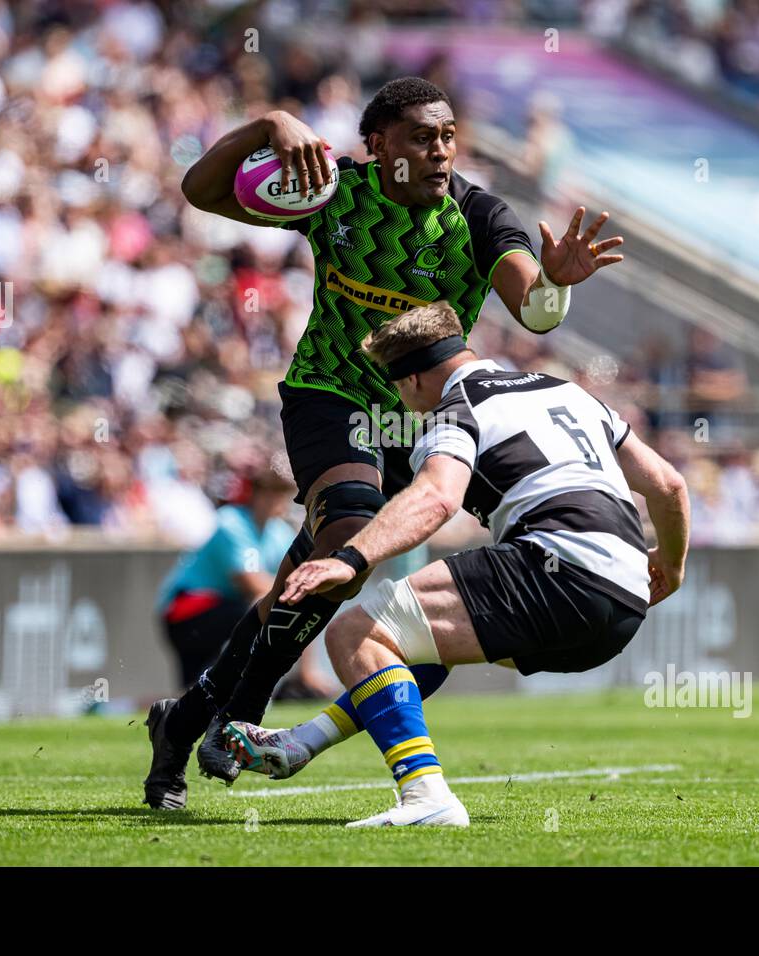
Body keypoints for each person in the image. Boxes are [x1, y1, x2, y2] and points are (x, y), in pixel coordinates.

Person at [142, 76, 627, 809]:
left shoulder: (478, 214)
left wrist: (554, 287)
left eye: (448, 136)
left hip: (412, 413)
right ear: (379, 145)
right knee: (346, 536)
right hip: (329, 391)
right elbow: (201, 189)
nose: (440, 151)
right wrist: (269, 124)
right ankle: (241, 715)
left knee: (315, 575)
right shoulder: (332, 189)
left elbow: (531, 304)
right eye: (421, 138)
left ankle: (186, 720)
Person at [222, 301, 690, 827]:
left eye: (398, 388)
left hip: (559, 567)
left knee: (355, 632)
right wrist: (669, 567)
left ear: (416, 377)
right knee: (416, 644)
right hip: (622, 606)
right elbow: (668, 484)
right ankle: (301, 743)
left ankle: (426, 799)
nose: (404, 403)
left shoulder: (456, 409)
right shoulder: (567, 390)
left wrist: (352, 558)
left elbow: (438, 498)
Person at [155, 466, 329, 697]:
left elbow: (295, 592)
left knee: (191, 695)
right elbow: (252, 582)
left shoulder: (278, 532)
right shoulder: (231, 522)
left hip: (220, 611)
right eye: (271, 491)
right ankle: (249, 685)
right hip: (187, 610)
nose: (278, 499)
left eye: (283, 492)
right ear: (254, 493)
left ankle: (123, 707)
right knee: (267, 604)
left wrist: (308, 670)